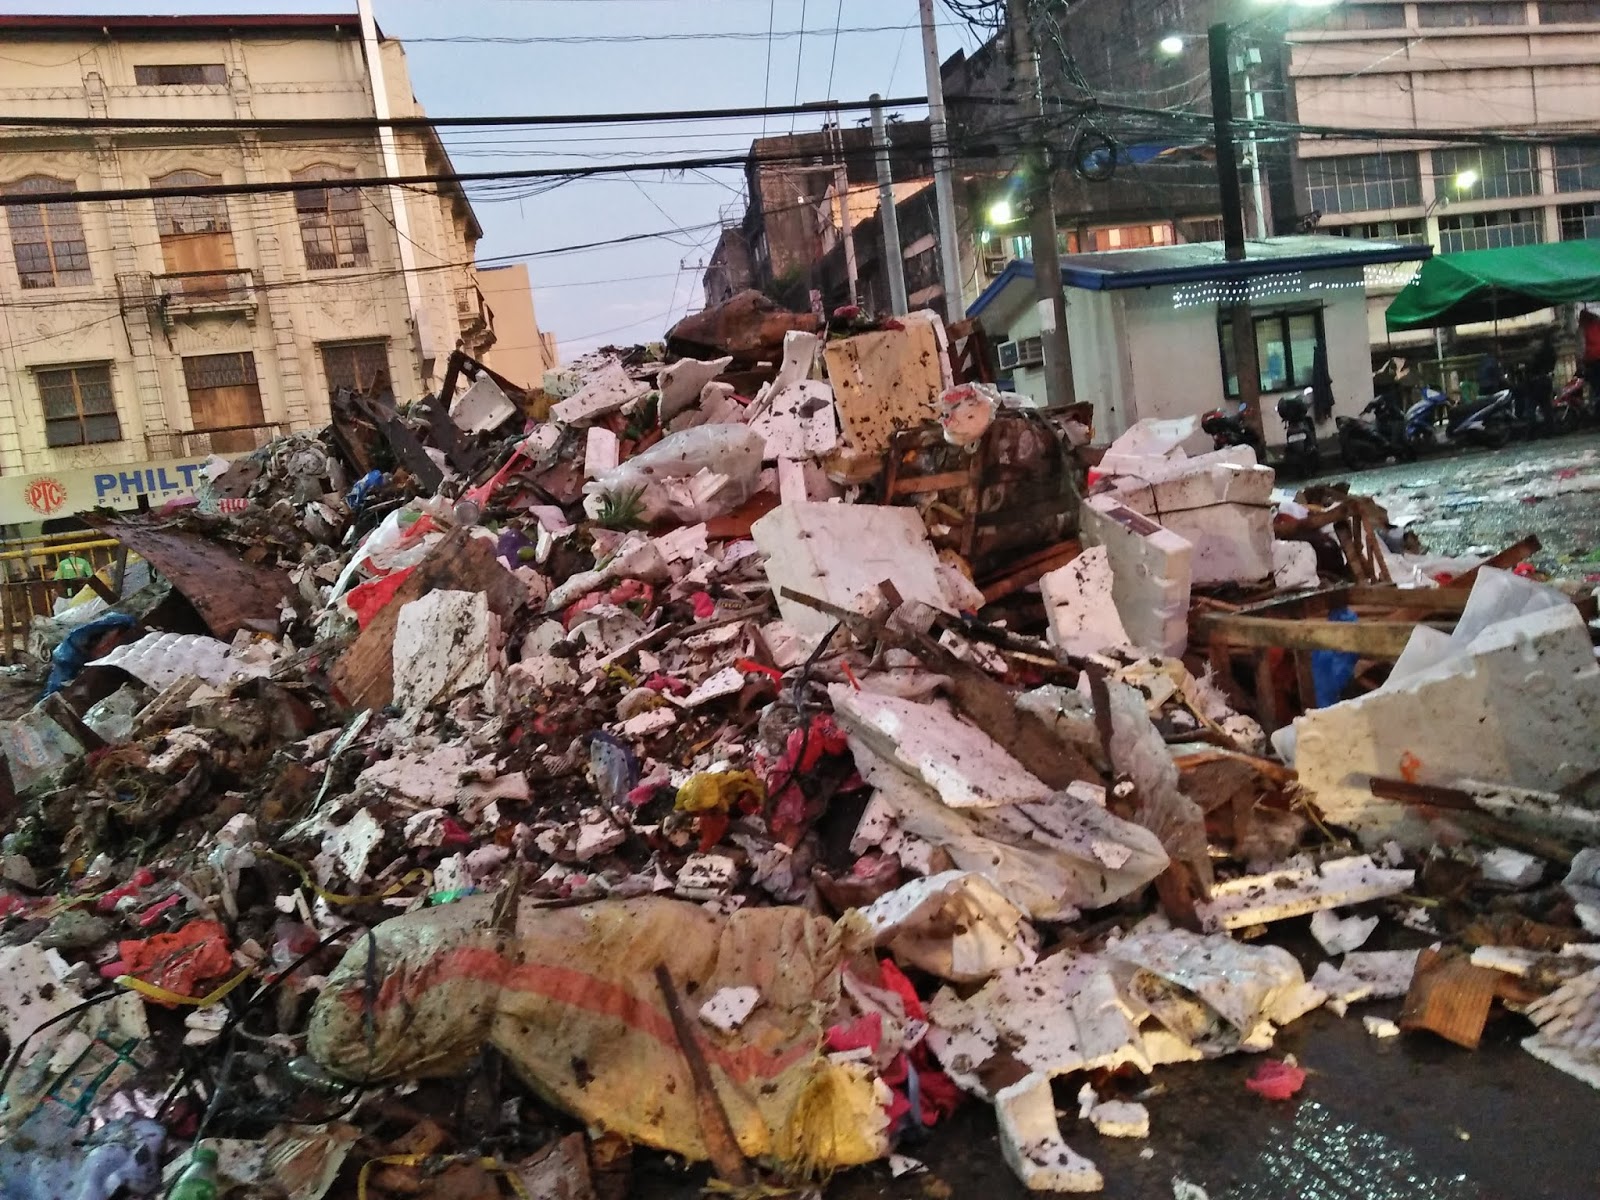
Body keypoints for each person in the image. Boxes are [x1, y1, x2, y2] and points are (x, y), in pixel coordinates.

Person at [1581, 308, 1600, 401]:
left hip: (1591, 360)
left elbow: (1582, 346)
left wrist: (1581, 360)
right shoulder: (1597, 325)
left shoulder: (1584, 329)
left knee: (1595, 384)